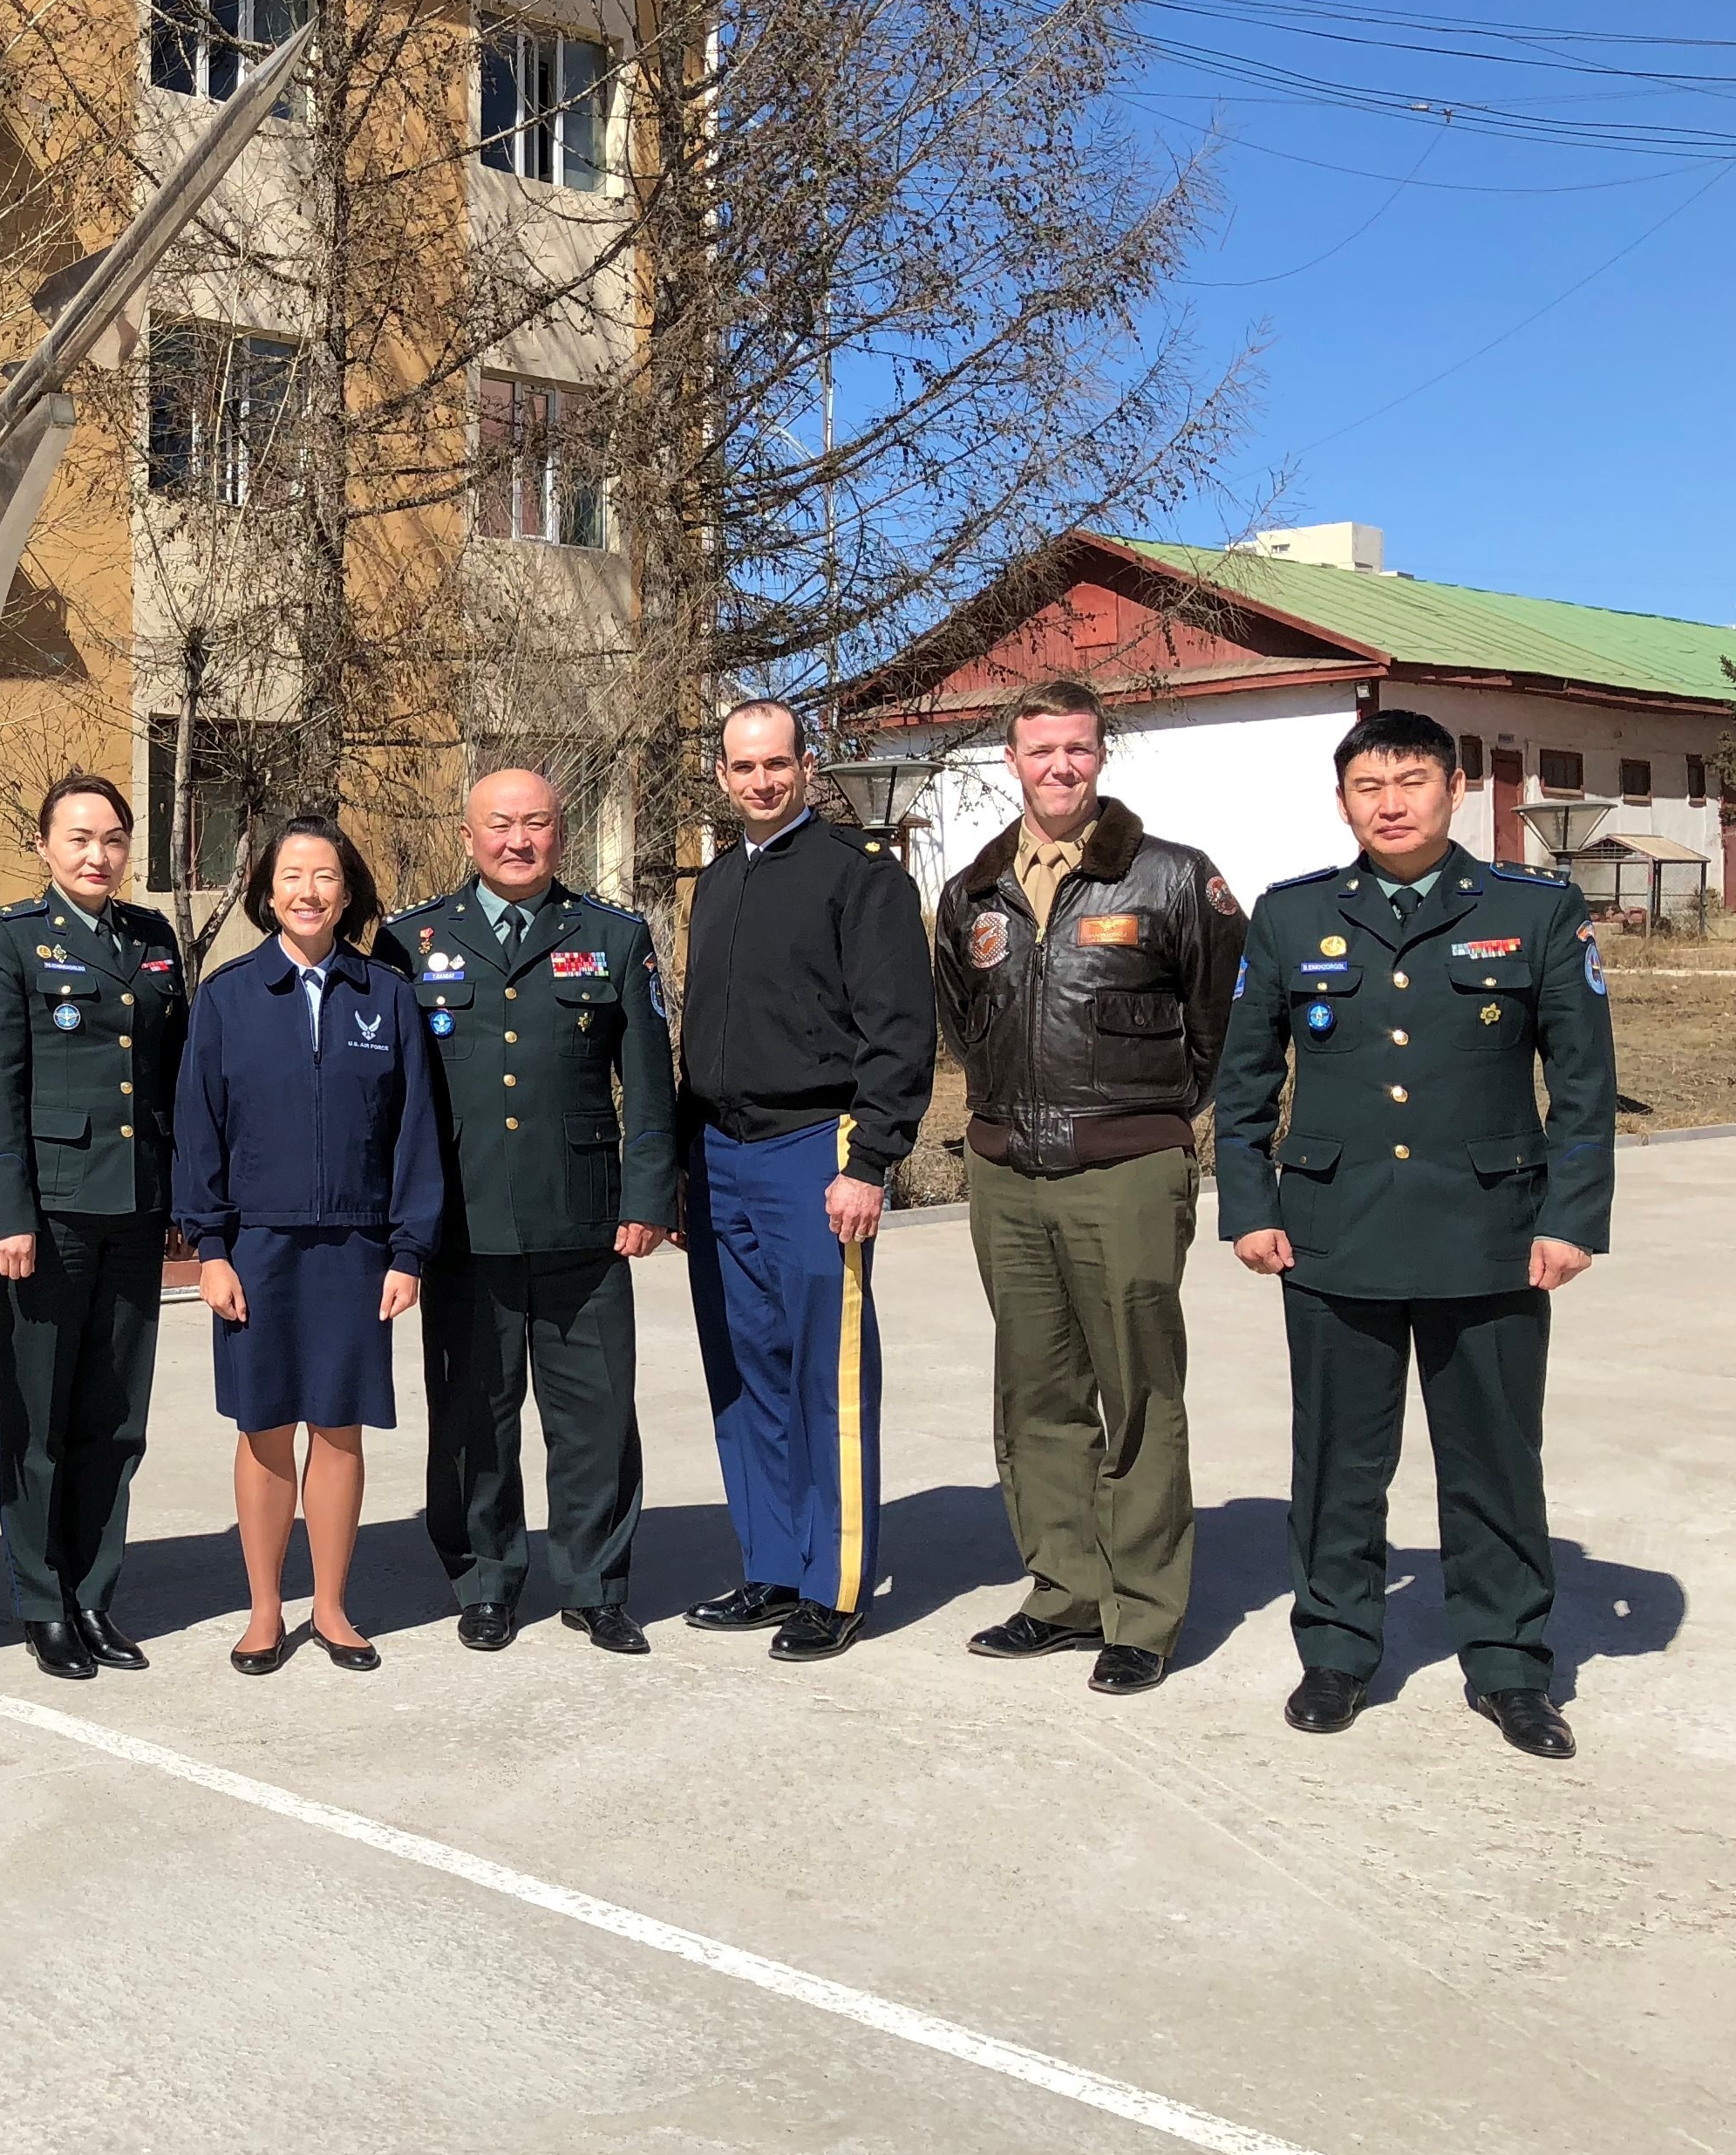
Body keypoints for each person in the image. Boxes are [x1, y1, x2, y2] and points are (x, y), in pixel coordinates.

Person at [1211, 707, 1614, 1760]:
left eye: (1412, 782)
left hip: (1490, 1233)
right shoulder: (1292, 915)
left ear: (1454, 789)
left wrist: (1571, 1218)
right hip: (1332, 1232)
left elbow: (1583, 1082)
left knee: (1494, 1461)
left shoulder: (1535, 909)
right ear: (1343, 800)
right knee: (1337, 1461)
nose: (1390, 804)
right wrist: (1249, 1206)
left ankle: (1511, 1666)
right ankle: (1336, 1651)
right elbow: (1244, 1079)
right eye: (1368, 786)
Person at [931, 682, 1245, 1696]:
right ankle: (1064, 1590)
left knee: (1138, 1389)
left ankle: (1144, 1614)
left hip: (1126, 1174)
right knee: (1037, 1391)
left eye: (1076, 748)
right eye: (1039, 750)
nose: (1058, 766)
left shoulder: (1172, 877)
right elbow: (963, 1024)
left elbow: (1221, 1025)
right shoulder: (974, 889)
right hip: (1005, 1175)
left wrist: (1148, 1122)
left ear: (1101, 755)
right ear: (1011, 761)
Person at [392, 769, 677, 1658]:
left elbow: (650, 1086)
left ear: (562, 831)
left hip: (584, 1219)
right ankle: (484, 1582)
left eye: (537, 823)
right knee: (473, 1415)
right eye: (500, 824)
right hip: (462, 1221)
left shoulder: (613, 935)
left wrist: (647, 1197)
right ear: (468, 834)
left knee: (594, 1416)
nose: (518, 840)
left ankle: (596, 1586)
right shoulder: (410, 942)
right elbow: (390, 1098)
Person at [676, 699, 936, 1663]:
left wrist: (870, 1161)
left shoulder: (858, 878)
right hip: (720, 1155)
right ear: (721, 775)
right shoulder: (716, 882)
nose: (761, 781)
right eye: (743, 767)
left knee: (826, 1372)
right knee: (746, 1369)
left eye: (776, 764)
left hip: (813, 1150)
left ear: (807, 767)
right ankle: (774, 1565)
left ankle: (835, 1584)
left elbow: (899, 1029)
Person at [174, 815, 445, 1676]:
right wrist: (211, 1249)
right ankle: (264, 1610)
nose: (308, 891)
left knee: (338, 1428)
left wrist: (408, 1252)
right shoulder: (227, 996)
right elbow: (198, 1129)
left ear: (347, 889)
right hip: (257, 1248)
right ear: (267, 890)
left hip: (356, 1249)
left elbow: (414, 1131)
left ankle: (331, 1607)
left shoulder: (387, 996)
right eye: (291, 875)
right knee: (264, 1428)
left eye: (325, 876)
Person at [0, 774, 189, 1680]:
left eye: (113, 840)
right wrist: (7, 1213)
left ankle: (95, 1593)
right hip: (51, 1213)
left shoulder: (153, 938)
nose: (98, 856)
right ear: (43, 846)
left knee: (115, 1415)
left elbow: (171, 1075)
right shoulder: (11, 938)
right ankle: (42, 1601)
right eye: (79, 838)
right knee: (39, 1418)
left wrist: (183, 1199)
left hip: (135, 1208)